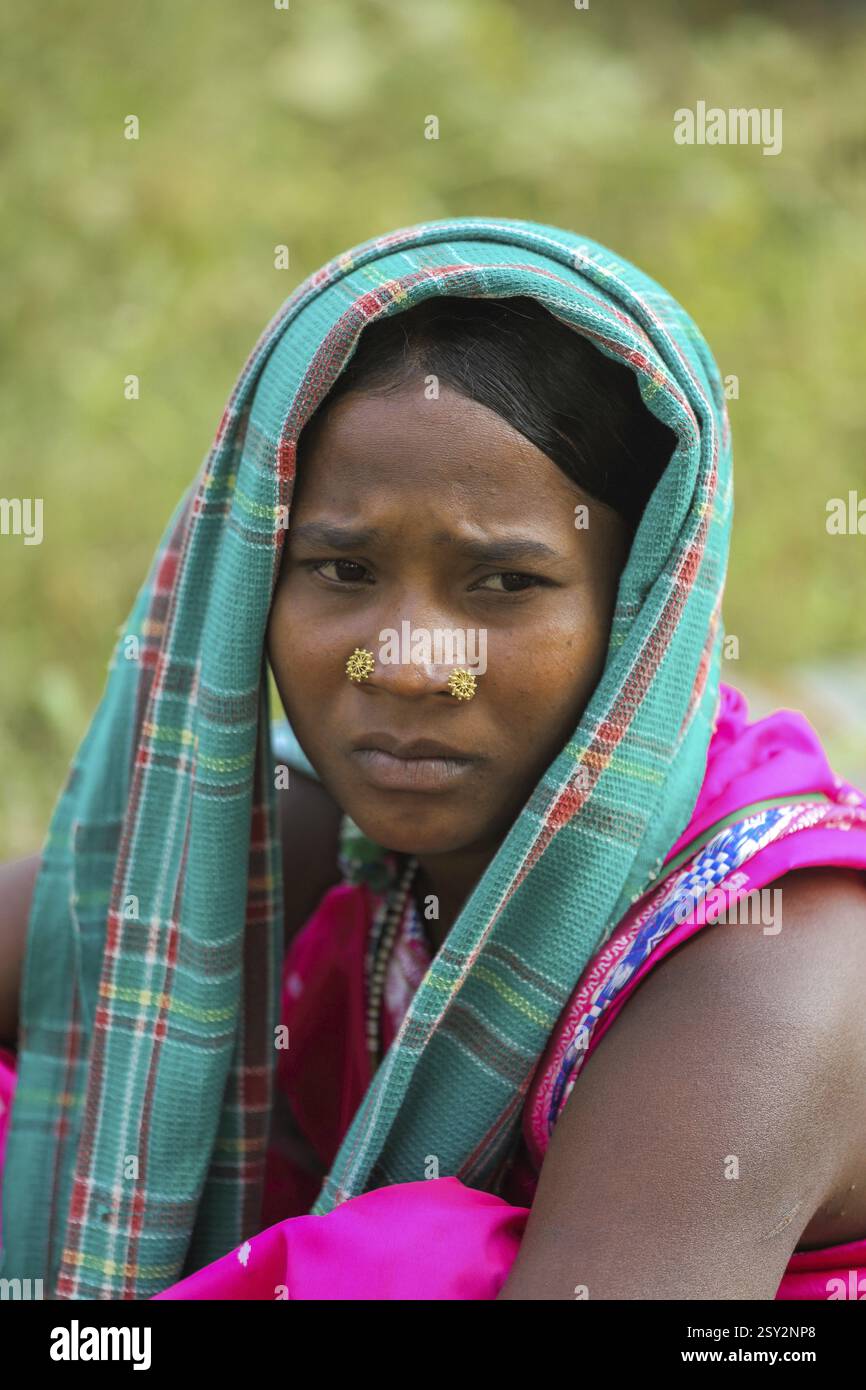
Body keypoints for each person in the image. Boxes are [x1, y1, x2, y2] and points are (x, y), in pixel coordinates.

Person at [1, 217, 865, 1301]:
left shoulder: (766, 973)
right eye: (341, 566)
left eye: (502, 583)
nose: (409, 666)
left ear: (640, 612)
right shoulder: (308, 826)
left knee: (402, 1270)